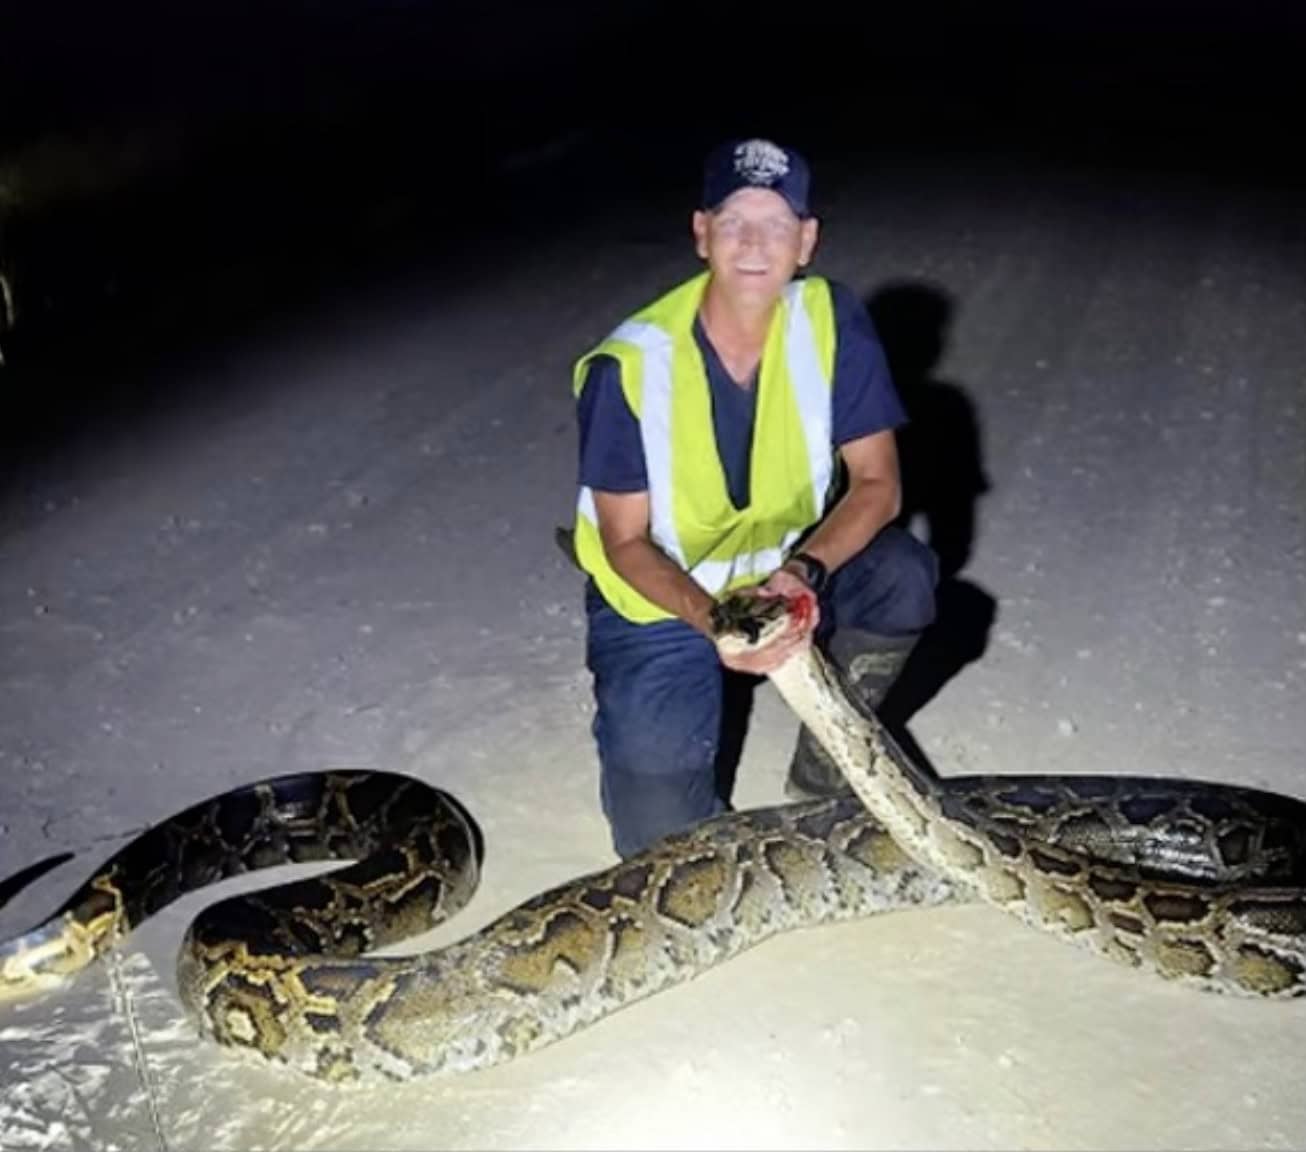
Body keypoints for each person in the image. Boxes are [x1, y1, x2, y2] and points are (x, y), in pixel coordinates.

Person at [567, 136, 938, 859]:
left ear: (806, 242)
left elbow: (878, 485)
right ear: (701, 232)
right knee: (665, 851)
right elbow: (624, 543)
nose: (753, 243)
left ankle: (828, 772)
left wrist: (802, 575)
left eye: (776, 224)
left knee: (903, 576)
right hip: (661, 593)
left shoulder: (831, 323)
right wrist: (718, 623)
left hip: (782, 570)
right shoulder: (631, 364)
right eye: (735, 220)